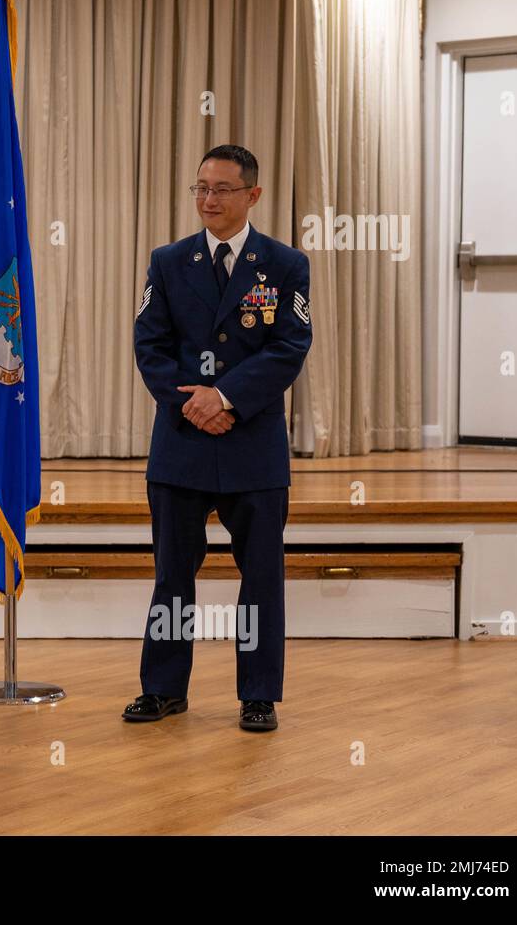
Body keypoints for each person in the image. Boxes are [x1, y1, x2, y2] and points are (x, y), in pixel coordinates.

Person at [127, 144, 311, 732]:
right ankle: (162, 688)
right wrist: (195, 405)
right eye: (201, 188)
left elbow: (289, 346)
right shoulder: (167, 260)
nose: (209, 199)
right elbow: (149, 344)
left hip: (251, 442)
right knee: (171, 577)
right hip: (182, 441)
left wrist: (224, 397)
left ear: (252, 195)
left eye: (223, 189)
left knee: (261, 576)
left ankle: (258, 693)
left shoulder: (284, 265)